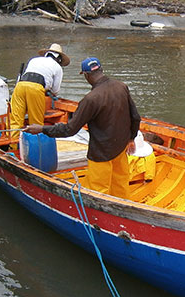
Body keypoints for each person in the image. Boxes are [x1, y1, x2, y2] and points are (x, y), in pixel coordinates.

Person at [25, 57, 141, 199]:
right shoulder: (121, 86)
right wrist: (131, 139)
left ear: (86, 75)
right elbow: (136, 117)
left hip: (101, 153)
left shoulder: (91, 99)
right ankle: (124, 208)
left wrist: (42, 129)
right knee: (121, 185)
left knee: (98, 192)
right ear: (101, 70)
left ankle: (100, 216)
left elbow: (70, 130)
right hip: (121, 147)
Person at [9, 43, 70, 143]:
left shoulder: (34, 60)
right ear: (59, 59)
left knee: (16, 121)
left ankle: (13, 145)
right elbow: (55, 91)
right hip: (36, 89)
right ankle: (36, 146)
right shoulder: (57, 67)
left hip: (20, 86)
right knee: (36, 123)